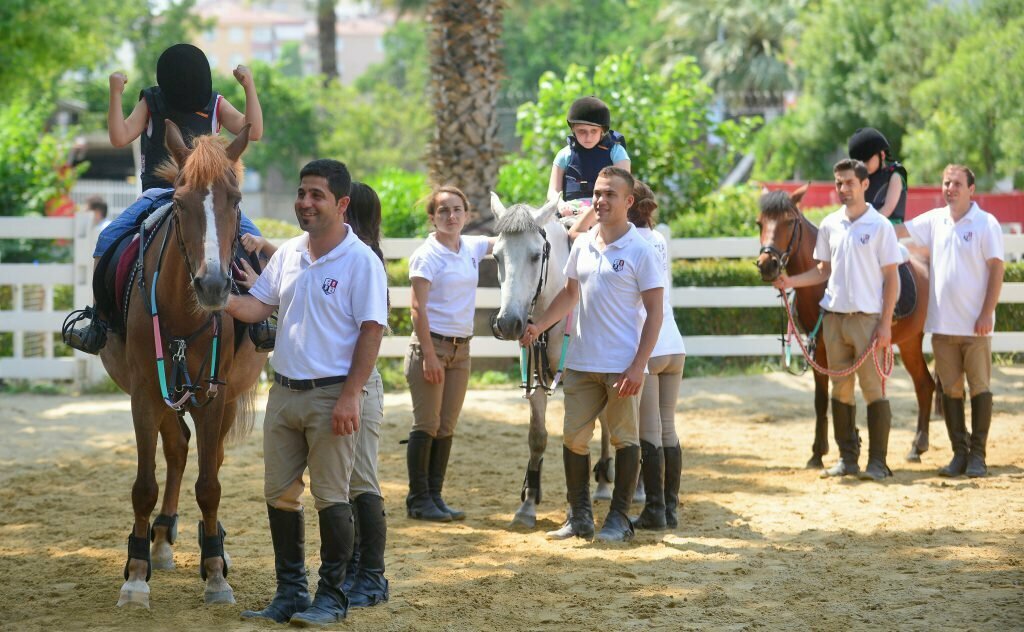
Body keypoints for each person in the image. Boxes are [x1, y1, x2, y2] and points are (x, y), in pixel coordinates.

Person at [227, 160, 388, 626]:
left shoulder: (361, 262)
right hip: (284, 393)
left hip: (330, 394)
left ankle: (332, 597)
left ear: (341, 204)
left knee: (333, 498)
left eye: (316, 195)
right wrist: (217, 298)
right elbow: (258, 306)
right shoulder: (290, 254)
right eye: (301, 193)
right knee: (279, 494)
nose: (305, 202)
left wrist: (351, 395)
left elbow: (372, 331)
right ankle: (290, 593)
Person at [64, 43, 265, 355]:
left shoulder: (216, 104)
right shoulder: (152, 101)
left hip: (208, 194)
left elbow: (252, 131)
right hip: (159, 193)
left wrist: (249, 86)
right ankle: (99, 320)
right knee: (108, 238)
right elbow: (120, 136)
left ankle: (261, 319)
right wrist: (115, 94)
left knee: (256, 242)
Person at [522, 166, 663, 542]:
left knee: (624, 441)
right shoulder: (582, 244)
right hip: (582, 362)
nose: (600, 201)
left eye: (609, 195)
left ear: (628, 201)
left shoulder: (641, 250)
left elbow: (655, 313)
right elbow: (569, 295)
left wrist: (638, 366)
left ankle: (619, 519)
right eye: (597, 193)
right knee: (573, 440)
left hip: (622, 367)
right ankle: (580, 517)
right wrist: (539, 326)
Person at [773, 158, 902, 482]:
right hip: (833, 318)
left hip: (867, 320)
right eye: (839, 183)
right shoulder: (830, 224)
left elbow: (892, 278)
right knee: (840, 391)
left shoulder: (880, 227)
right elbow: (822, 271)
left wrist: (885, 323)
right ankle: (848, 459)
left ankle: (877, 462)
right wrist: (791, 282)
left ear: (864, 185)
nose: (843, 189)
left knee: (874, 391)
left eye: (849, 183)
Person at [897, 165, 1004, 477]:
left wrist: (987, 312)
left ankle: (978, 455)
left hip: (975, 327)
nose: (951, 188)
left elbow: (997, 269)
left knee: (980, 388)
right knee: (951, 392)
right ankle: (960, 453)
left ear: (971, 189)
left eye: (957, 183)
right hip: (942, 328)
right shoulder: (934, 220)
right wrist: (862, 222)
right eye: (946, 183)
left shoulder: (986, 223)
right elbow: (897, 231)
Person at [404, 186, 494, 523]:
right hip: (433, 346)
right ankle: (418, 498)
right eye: (443, 211)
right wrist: (428, 355)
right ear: (432, 217)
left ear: (467, 215)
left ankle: (435, 496)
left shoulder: (470, 246)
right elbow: (417, 308)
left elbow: (505, 242)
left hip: (462, 349)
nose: (451, 216)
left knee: (446, 425)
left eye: (457, 210)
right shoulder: (427, 255)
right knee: (426, 423)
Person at [623, 182, 686, 531]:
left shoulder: (629, 241)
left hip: (648, 344)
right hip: (674, 343)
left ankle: (655, 510)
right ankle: (670, 509)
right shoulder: (658, 238)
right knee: (668, 428)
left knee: (648, 431)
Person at [547, 96, 630, 221]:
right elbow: (552, 191)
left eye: (594, 131)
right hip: (570, 216)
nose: (588, 137)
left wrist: (594, 209)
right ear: (573, 129)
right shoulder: (564, 155)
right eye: (582, 131)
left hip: (606, 216)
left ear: (602, 130)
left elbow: (623, 189)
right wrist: (561, 205)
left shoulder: (617, 153)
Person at [848, 127, 908, 224]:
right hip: (866, 232)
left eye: (866, 161)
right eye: (859, 163)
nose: (863, 166)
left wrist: (864, 223)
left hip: (891, 232)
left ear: (882, 155)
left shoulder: (895, 174)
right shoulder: (862, 178)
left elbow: (887, 209)